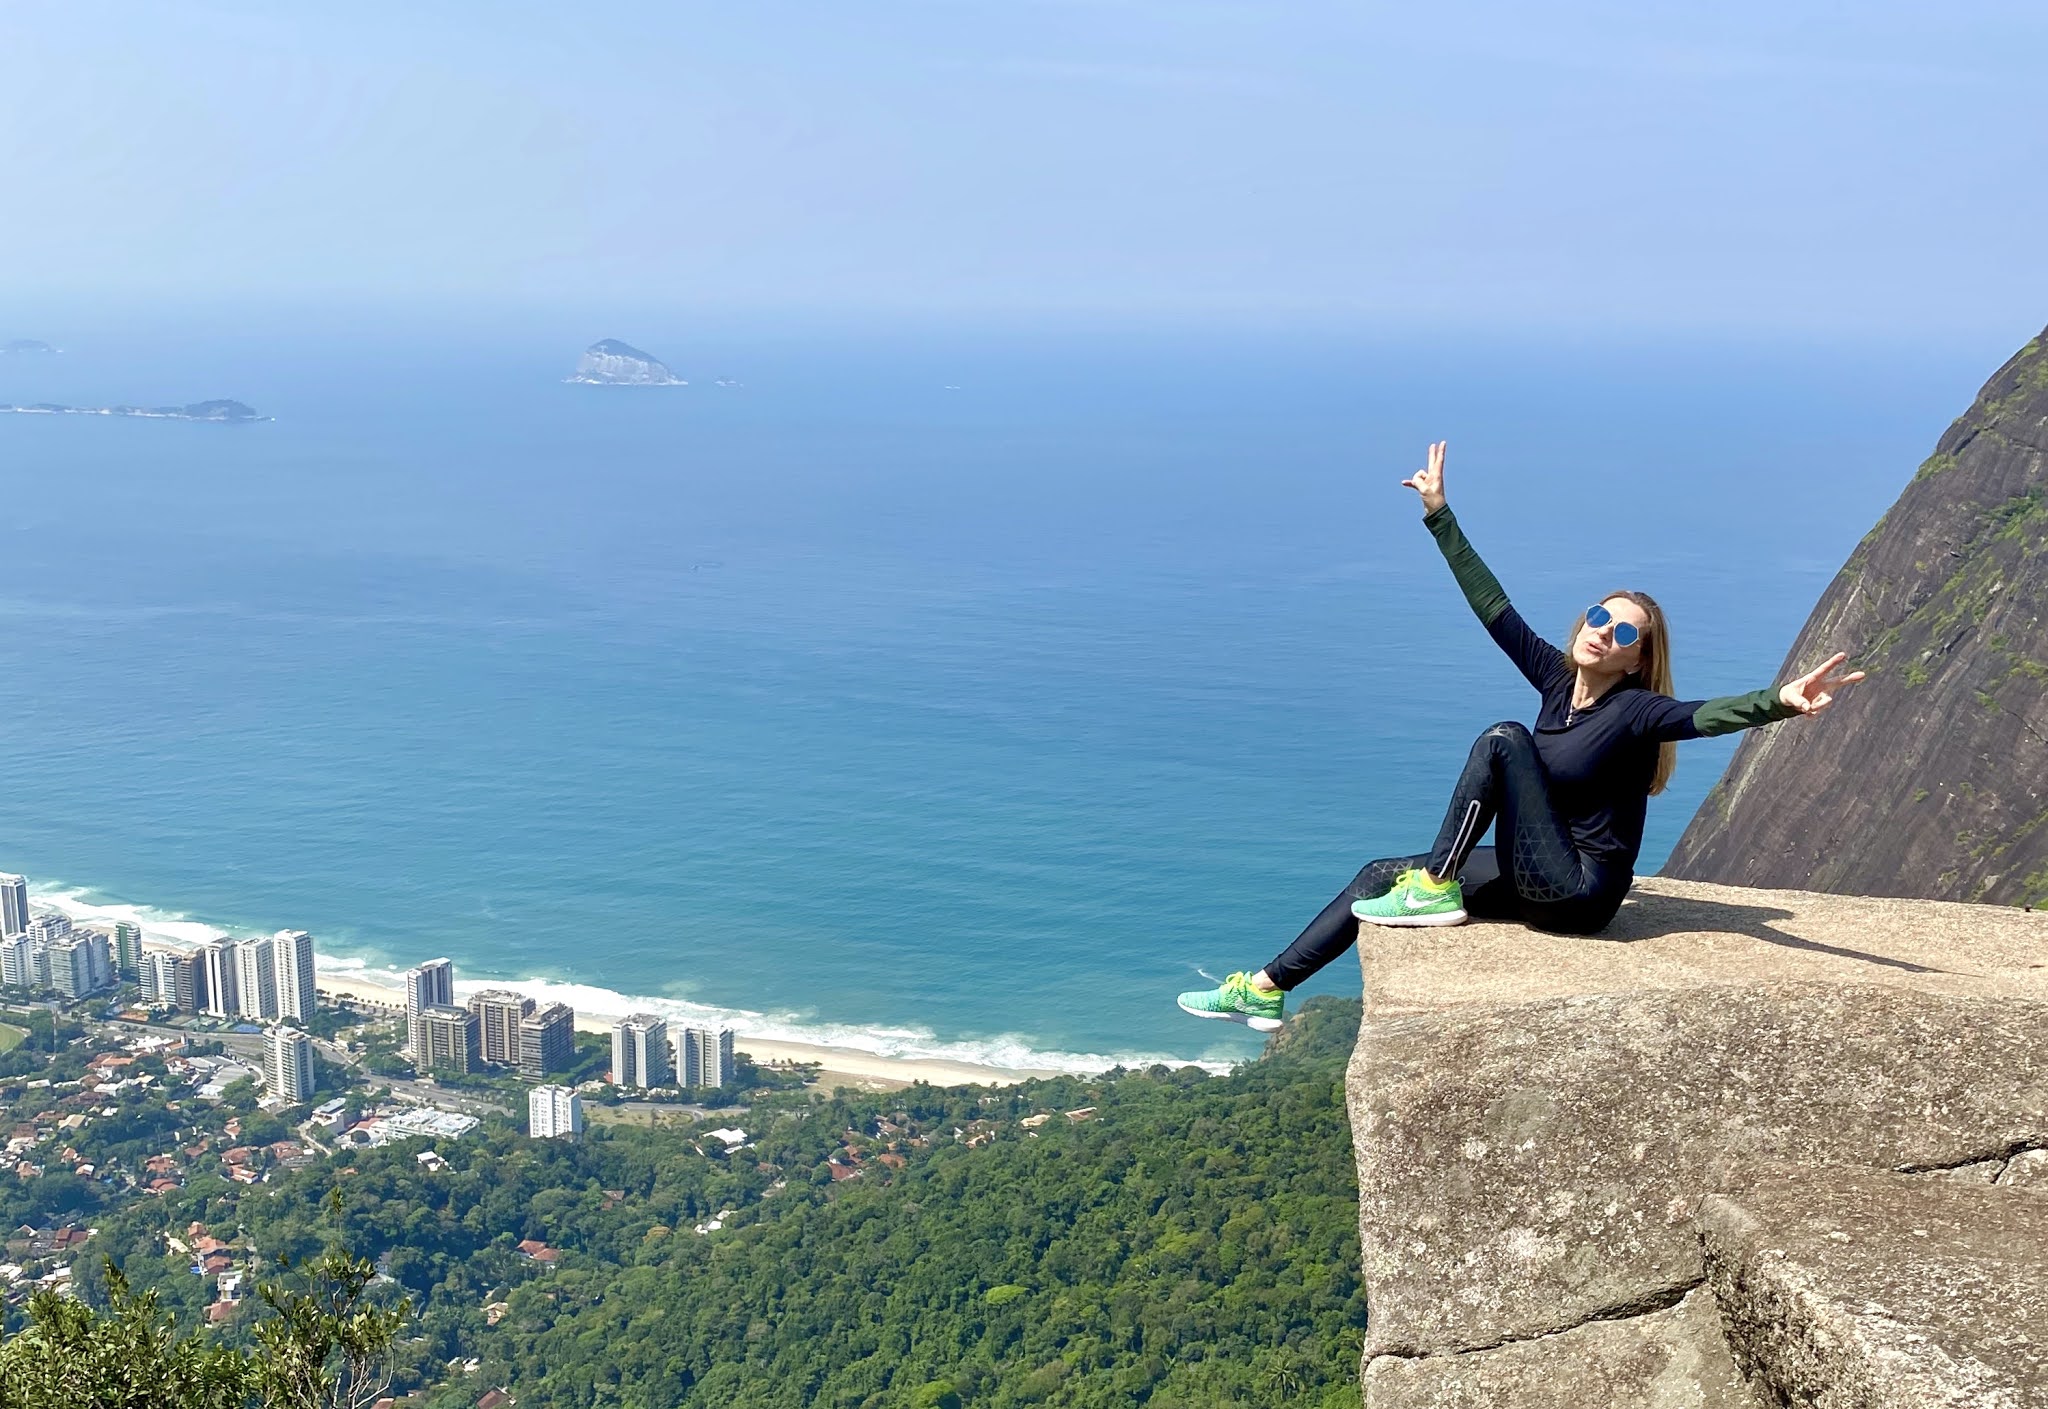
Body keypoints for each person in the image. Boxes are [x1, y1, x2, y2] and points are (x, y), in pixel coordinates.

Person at [1177, 441, 1865, 1032]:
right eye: (1601, 615)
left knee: (1505, 739)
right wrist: (1439, 515)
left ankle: (1438, 885)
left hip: (1579, 892)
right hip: (1538, 869)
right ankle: (1266, 989)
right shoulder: (1557, 680)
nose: (1603, 629)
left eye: (1623, 631)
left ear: (1636, 658)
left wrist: (1779, 700)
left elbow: (1704, 716)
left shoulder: (1636, 711)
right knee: (1376, 875)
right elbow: (1492, 607)